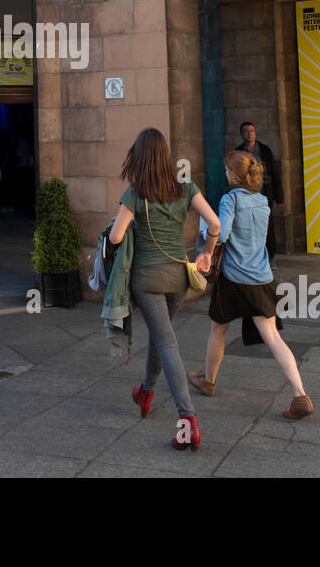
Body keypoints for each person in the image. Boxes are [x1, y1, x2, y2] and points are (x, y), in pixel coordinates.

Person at [107, 127, 221, 451]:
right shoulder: (185, 187)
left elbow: (115, 238)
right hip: (178, 279)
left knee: (167, 344)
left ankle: (188, 421)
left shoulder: (135, 192)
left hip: (147, 280)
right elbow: (215, 224)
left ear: (139, 157)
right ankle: (145, 391)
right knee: (162, 338)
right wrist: (207, 253)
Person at [190, 150, 313, 420]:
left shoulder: (230, 198)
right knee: (273, 337)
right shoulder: (261, 201)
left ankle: (209, 382)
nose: (224, 173)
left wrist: (205, 235)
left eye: (226, 169)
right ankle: (300, 394)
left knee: (218, 328)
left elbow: (220, 234)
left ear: (234, 174)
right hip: (261, 277)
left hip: (235, 278)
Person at [236, 121, 283, 259]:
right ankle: (254, 256)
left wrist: (278, 193)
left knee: (268, 226)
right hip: (246, 195)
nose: (249, 133)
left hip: (264, 194)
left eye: (252, 130)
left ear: (255, 133)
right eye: (246, 131)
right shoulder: (239, 151)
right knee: (249, 227)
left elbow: (274, 171)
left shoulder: (264, 150)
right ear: (242, 134)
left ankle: (270, 256)